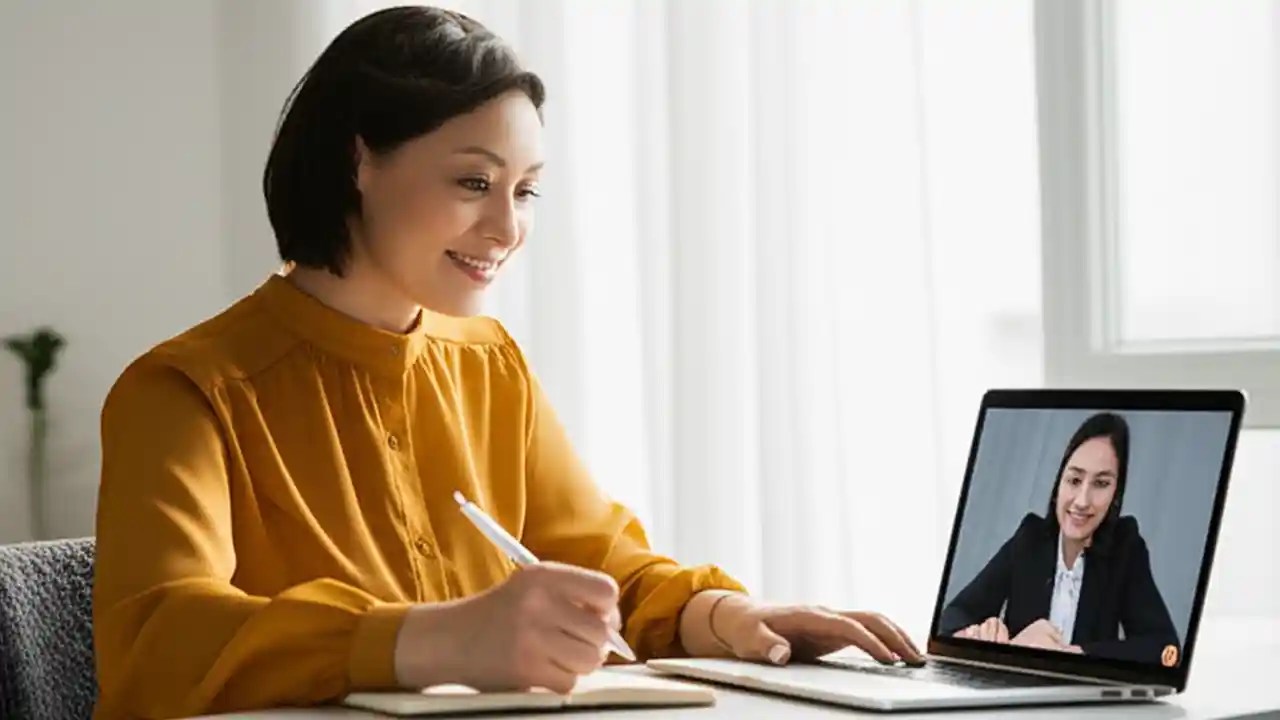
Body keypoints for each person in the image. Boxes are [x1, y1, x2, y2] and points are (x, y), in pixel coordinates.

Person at [91, 7, 923, 719]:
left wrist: (727, 615)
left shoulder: (491, 365)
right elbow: (156, 640)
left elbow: (600, 568)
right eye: (471, 182)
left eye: (525, 191)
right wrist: (435, 638)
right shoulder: (184, 390)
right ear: (359, 163)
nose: (507, 228)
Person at [937, 412, 1180, 664]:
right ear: (1058, 485)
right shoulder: (1029, 539)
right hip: (1016, 689)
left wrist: (1072, 654)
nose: (1082, 501)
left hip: (1084, 698)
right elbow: (954, 616)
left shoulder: (1125, 548)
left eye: (1101, 484)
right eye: (1074, 480)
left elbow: (1165, 650)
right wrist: (981, 636)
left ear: (1115, 495)